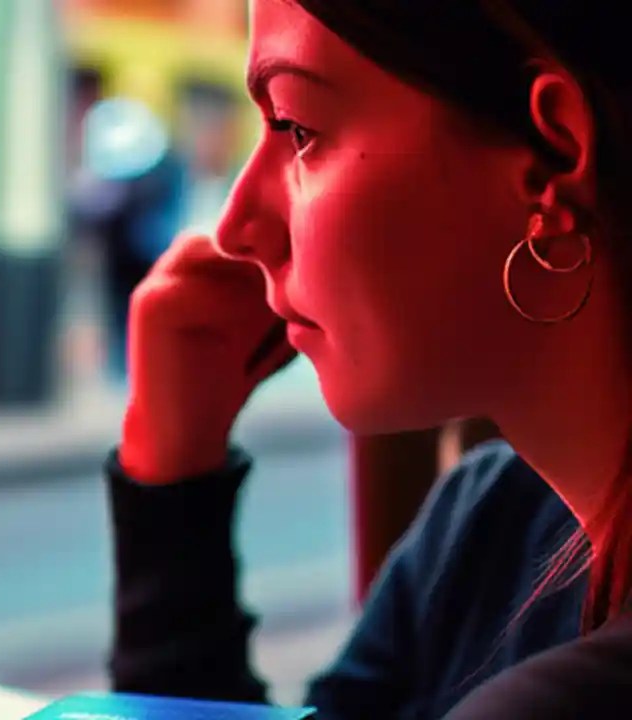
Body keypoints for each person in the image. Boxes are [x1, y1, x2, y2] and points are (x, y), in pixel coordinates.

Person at [108, 0, 632, 717]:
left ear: (553, 157)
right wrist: (175, 474)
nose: (233, 228)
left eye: (298, 129)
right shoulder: (485, 523)